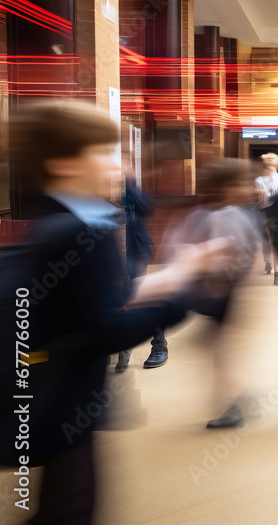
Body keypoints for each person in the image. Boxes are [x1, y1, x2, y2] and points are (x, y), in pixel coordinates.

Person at [0, 101, 220, 524]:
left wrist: (170, 277)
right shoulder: (82, 230)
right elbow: (108, 330)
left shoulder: (53, 220)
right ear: (61, 163)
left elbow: (88, 308)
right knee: (71, 510)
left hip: (53, 399)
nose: (117, 163)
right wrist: (183, 292)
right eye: (103, 152)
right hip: (64, 405)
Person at [162, 161, 262, 428]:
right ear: (226, 187)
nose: (249, 189)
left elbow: (238, 255)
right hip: (223, 296)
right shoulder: (229, 215)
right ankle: (237, 399)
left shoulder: (226, 215)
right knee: (219, 352)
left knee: (219, 354)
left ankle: (235, 402)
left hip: (222, 296)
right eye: (242, 183)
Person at [116, 169, 161, 371]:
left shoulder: (130, 187)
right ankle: (122, 348)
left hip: (135, 249)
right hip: (108, 250)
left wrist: (127, 181)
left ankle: (159, 345)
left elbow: (146, 208)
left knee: (139, 296)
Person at [254, 152, 278, 285]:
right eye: (266, 161)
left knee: (276, 244)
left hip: (277, 216)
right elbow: (258, 201)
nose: (268, 164)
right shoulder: (258, 181)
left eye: (271, 161)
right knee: (265, 243)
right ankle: (267, 262)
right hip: (262, 214)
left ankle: (277, 274)